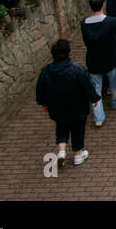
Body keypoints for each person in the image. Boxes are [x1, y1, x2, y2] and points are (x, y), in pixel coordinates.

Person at [36, 39, 98, 167]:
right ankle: (78, 154)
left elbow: (40, 90)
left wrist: (44, 103)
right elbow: (88, 86)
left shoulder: (46, 72)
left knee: (61, 127)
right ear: (68, 53)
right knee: (78, 129)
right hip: (78, 107)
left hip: (57, 108)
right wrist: (94, 99)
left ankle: (62, 151)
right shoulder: (77, 70)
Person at [80, 0, 116, 128]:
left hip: (93, 59)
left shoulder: (84, 24)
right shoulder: (112, 22)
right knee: (115, 82)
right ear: (103, 5)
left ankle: (98, 117)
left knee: (96, 88)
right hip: (110, 57)